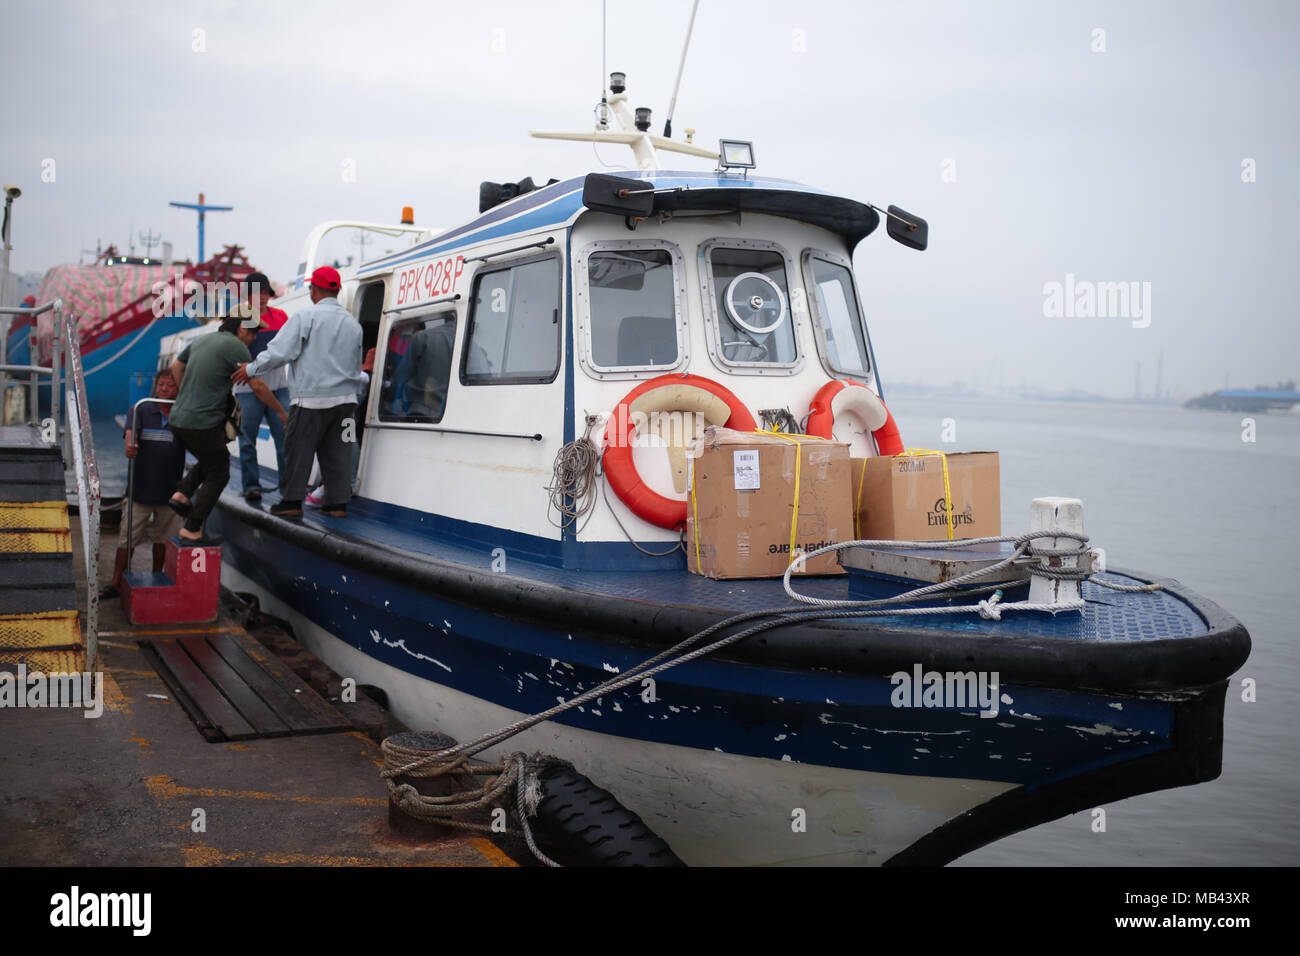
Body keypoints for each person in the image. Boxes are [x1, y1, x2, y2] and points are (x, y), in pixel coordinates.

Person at [233, 265, 363, 519]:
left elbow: (280, 353)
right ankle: (337, 504)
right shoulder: (353, 324)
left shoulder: (305, 318)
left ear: (314, 289)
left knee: (298, 449)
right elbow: (355, 364)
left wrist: (251, 369)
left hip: (311, 402)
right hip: (347, 403)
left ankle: (292, 501)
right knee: (341, 451)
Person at [167, 316, 258, 542]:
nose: (254, 337)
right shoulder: (237, 347)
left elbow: (176, 365)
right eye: (252, 332)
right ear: (241, 328)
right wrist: (280, 411)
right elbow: (257, 384)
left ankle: (182, 494)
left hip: (179, 419)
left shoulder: (203, 339)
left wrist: (186, 393)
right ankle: (192, 527)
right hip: (201, 423)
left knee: (213, 457)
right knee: (219, 472)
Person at [100, 369, 186, 597]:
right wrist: (131, 445)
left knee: (163, 540)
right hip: (140, 491)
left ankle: (156, 578)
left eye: (170, 385)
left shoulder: (183, 414)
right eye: (161, 384)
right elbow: (130, 433)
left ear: (179, 389)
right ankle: (116, 582)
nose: (164, 389)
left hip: (170, 492)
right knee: (127, 539)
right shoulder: (140, 409)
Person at [232, 272, 291, 501]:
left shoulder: (282, 317)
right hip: (247, 388)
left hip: (279, 386)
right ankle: (251, 485)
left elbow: (289, 347)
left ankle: (288, 487)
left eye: (266, 293)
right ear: (248, 296)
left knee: (285, 438)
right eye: (258, 293)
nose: (263, 297)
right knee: (247, 439)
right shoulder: (238, 317)